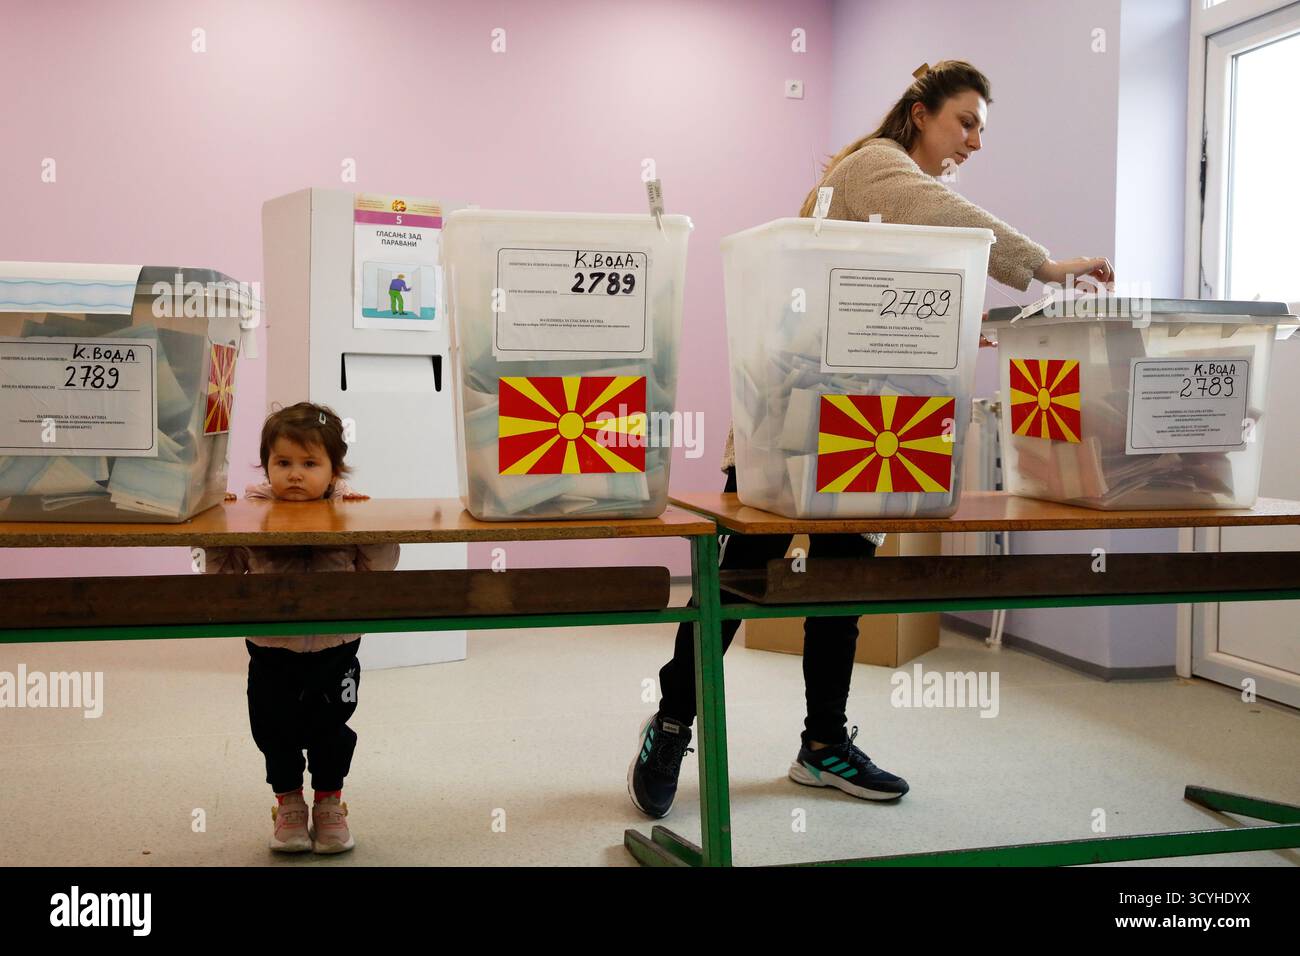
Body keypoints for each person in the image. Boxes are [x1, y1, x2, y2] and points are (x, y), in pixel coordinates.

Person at [629, 59, 1114, 820]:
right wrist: (1045, 266)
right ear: (919, 114)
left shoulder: (902, 202)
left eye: (983, 127)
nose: (975, 140)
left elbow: (890, 302)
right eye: (965, 121)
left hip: (868, 427)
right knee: (741, 584)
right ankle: (671, 723)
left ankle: (822, 744)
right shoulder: (876, 168)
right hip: (792, 424)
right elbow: (950, 219)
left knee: (843, 588)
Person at [204, 402, 400, 853]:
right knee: (275, 729)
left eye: (310, 464)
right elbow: (222, 578)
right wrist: (217, 531)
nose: (295, 474)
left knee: (331, 728)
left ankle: (329, 803)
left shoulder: (348, 507)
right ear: (267, 465)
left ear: (333, 471)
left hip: (336, 646)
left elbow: (379, 571)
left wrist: (369, 526)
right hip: (272, 648)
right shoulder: (250, 511)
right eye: (283, 463)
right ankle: (289, 803)